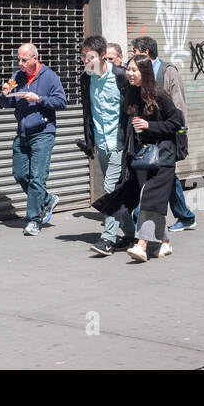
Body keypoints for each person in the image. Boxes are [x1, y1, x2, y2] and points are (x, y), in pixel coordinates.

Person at [92, 54, 184, 263]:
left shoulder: (159, 94)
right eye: (129, 69)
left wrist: (150, 125)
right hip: (142, 156)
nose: (130, 73)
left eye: (134, 70)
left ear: (145, 72)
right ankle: (165, 243)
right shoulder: (132, 93)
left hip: (163, 156)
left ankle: (141, 245)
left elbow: (176, 122)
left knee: (149, 200)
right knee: (150, 201)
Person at [0, 42, 67, 237]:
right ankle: (47, 199)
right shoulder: (17, 76)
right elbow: (7, 103)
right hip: (22, 133)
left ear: (35, 59)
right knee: (20, 174)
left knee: (37, 177)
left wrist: (39, 99)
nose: (20, 63)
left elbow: (61, 102)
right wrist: (4, 94)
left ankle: (33, 220)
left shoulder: (49, 76)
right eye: (18, 60)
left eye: (24, 60)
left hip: (43, 133)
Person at [132, 36, 197, 233]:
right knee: (166, 176)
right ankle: (184, 216)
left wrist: (181, 132)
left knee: (164, 175)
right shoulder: (138, 77)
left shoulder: (168, 71)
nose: (132, 56)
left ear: (145, 53)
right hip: (150, 138)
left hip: (167, 135)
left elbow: (178, 105)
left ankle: (145, 222)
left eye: (135, 52)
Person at [78, 36, 131, 256]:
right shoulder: (86, 78)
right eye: (83, 57)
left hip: (119, 142)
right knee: (116, 191)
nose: (85, 61)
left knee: (110, 188)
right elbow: (87, 112)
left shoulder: (121, 76)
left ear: (101, 56)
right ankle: (130, 234)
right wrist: (89, 140)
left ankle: (108, 239)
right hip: (100, 142)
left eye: (89, 57)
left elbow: (133, 108)